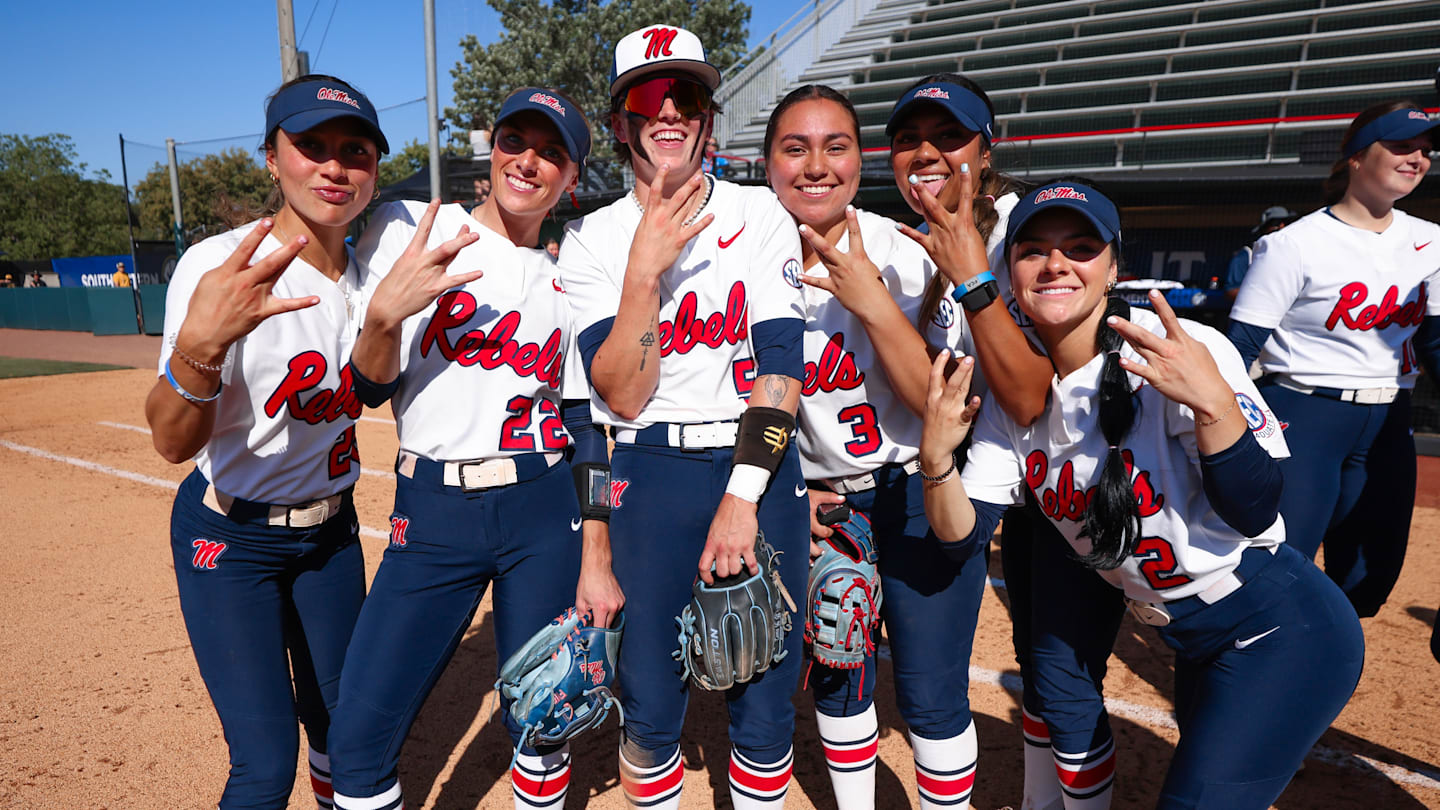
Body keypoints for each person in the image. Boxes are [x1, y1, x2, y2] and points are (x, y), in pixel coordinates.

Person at [922, 179, 1365, 809]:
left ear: (1112, 268)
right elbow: (963, 539)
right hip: (1190, 644)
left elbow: (1257, 507)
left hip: (1280, 631)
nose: (1056, 265)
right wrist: (936, 460)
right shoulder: (1009, 404)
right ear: (1009, 272)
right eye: (1034, 251)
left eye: (1080, 247)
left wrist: (1214, 408)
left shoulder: (1177, 349)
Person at [328, 87, 618, 810]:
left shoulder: (570, 279)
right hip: (432, 513)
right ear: (491, 150)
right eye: (515, 141)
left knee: (543, 717)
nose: (530, 161)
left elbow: (587, 430)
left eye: (553, 153)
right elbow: (366, 386)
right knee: (358, 739)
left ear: (573, 178)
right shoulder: (414, 227)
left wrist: (597, 551)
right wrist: (385, 316)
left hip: (543, 510)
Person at [558, 25, 809, 809]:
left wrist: (741, 498)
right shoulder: (591, 240)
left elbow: (780, 372)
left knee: (766, 701)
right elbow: (623, 397)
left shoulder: (760, 213)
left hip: (756, 469)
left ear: (708, 115)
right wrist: (642, 268)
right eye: (649, 96)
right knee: (651, 708)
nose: (670, 112)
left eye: (688, 95)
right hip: (648, 472)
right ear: (622, 120)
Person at [143, 73, 389, 809]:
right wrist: (201, 348)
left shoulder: (376, 269)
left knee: (345, 733)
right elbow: (170, 440)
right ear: (272, 160)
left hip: (331, 536)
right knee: (264, 760)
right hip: (230, 539)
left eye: (354, 150)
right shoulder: (220, 266)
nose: (334, 166)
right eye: (309, 146)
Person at [888, 74, 1127, 810]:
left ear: (985, 151)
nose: (926, 153)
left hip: (1071, 475)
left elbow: (1028, 396)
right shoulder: (909, 242)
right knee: (1038, 668)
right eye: (908, 140)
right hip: (999, 476)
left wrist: (970, 275)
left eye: (949, 137)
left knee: (1060, 679)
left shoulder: (1025, 234)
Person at [762, 83, 986, 810]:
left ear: (862, 160)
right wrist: (793, 492)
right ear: (767, 163)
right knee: (839, 669)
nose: (817, 165)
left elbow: (941, 403)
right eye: (795, 148)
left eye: (837, 146)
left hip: (915, 487)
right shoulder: (740, 259)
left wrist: (872, 300)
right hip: (818, 500)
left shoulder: (909, 251)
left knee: (930, 694)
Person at [1229, 102, 1440, 618]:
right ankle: (1248, 676)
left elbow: (1435, 345)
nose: (1417, 158)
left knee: (1370, 576)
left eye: (1425, 150)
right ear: (1356, 157)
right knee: (1278, 564)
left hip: (1390, 420)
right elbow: (1238, 350)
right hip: (1303, 416)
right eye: (1400, 145)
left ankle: (1319, 671)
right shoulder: (1293, 245)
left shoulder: (1432, 241)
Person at [1223, 206, 1297, 301]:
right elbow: (1231, 291)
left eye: (1286, 223)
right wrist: (1266, 295)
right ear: (1264, 229)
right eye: (1276, 224)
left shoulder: (1293, 253)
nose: (1282, 227)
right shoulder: (1247, 255)